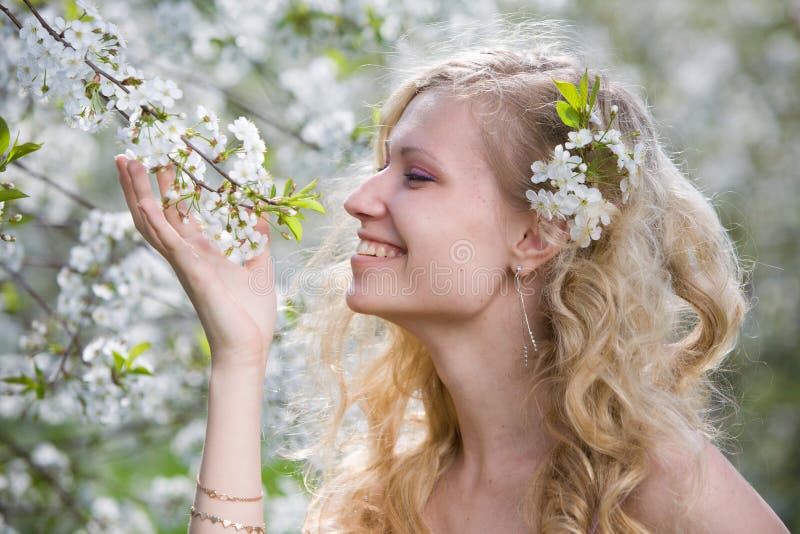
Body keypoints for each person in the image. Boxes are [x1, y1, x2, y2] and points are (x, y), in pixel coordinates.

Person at [115, 35, 790, 534]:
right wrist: (239, 359)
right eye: (382, 164)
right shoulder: (388, 495)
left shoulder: (658, 488)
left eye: (416, 176)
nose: (359, 199)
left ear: (536, 236)